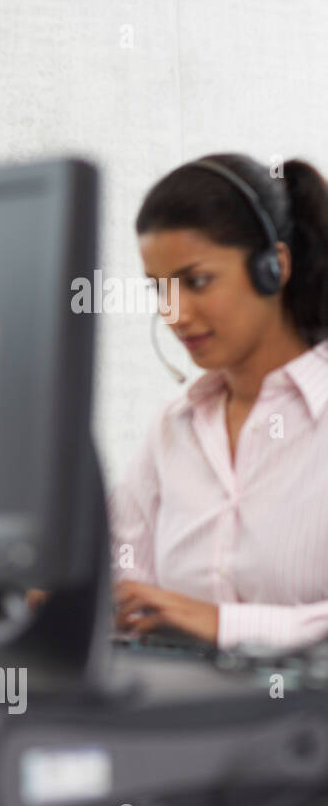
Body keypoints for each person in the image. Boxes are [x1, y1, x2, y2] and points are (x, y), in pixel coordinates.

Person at [113, 153, 328, 651]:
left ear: (274, 267)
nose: (175, 314)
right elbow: (124, 575)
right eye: (160, 289)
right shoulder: (175, 427)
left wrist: (226, 625)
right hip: (193, 712)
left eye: (196, 282)